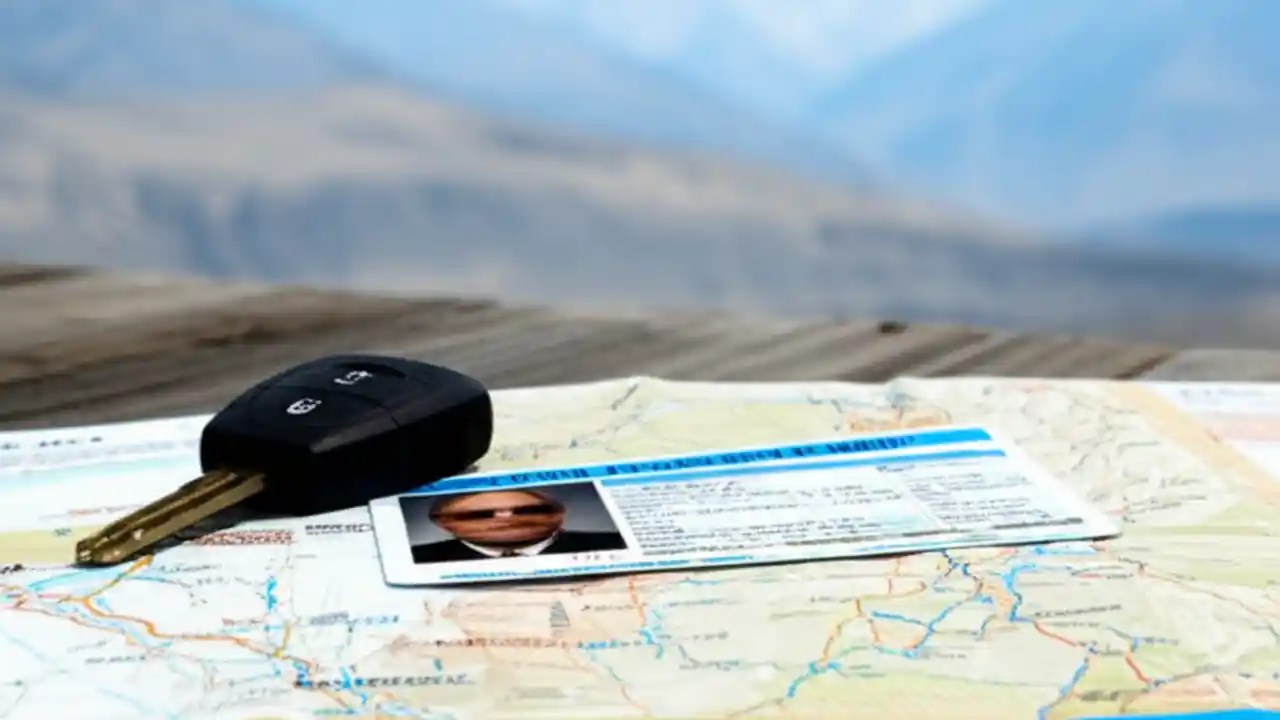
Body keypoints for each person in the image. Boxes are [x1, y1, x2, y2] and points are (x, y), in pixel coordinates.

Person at [410, 488, 627, 563]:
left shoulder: (615, 543)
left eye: (527, 510)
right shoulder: (418, 557)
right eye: (482, 514)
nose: (506, 518)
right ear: (443, 523)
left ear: (559, 514)